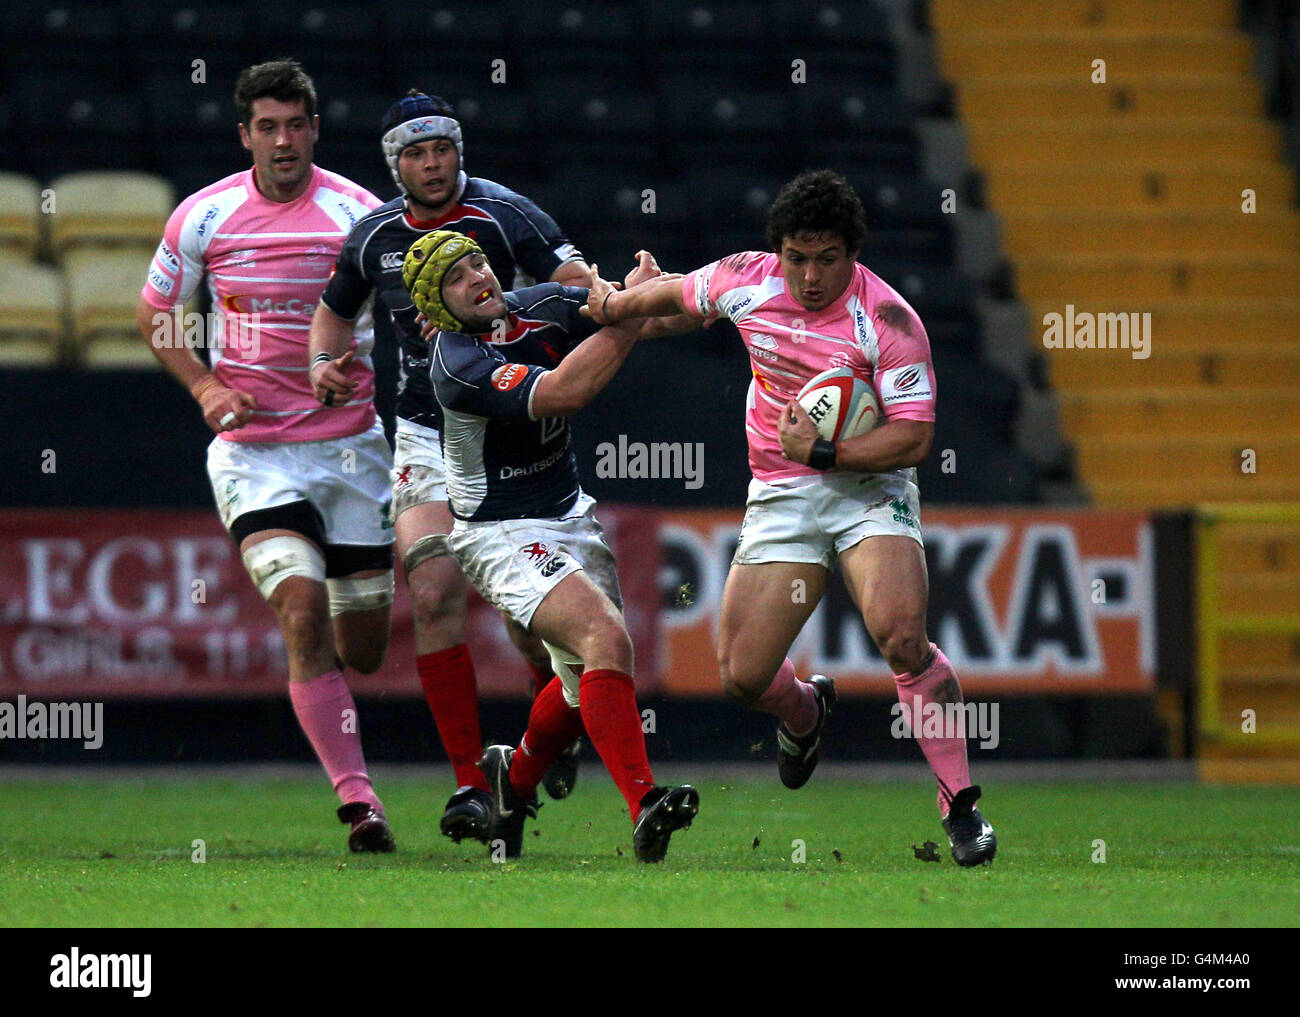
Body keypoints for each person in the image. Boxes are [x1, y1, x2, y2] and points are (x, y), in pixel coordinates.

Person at [582, 169, 997, 866]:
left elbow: (916, 437)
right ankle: (805, 711)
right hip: (782, 489)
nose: (809, 275)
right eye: (796, 257)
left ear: (852, 253)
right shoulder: (747, 277)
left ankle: (960, 804)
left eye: (826, 258)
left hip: (870, 486)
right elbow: (672, 295)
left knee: (900, 636)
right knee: (743, 676)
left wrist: (827, 450)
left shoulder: (889, 320)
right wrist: (614, 300)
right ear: (778, 250)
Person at [309, 92, 592, 844]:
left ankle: (548, 718)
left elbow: (574, 280)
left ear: (456, 150)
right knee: (432, 591)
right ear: (394, 163)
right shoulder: (373, 236)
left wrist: (542, 310)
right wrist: (322, 360)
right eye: (414, 152)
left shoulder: (503, 212)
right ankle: (471, 782)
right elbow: (335, 308)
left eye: (441, 148)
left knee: (528, 620)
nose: (431, 164)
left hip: (505, 428)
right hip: (426, 434)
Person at [138, 60, 397, 853]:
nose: (283, 141)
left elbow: (417, 312)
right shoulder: (203, 216)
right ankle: (360, 803)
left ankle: (351, 745)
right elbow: (157, 315)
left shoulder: (360, 215)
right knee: (302, 607)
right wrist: (206, 388)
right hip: (256, 456)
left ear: (315, 129)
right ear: (245, 133)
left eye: (296, 125)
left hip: (353, 452)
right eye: (268, 127)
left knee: (367, 647)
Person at [402, 229, 700, 862]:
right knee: (605, 639)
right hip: (499, 533)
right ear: (435, 309)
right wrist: (624, 319)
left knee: (576, 684)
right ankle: (645, 804)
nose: (478, 276)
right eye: (457, 277)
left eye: (478, 260)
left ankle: (514, 781)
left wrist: (670, 296)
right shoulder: (456, 364)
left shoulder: (538, 304)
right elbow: (566, 391)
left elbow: (645, 321)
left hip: (569, 516)